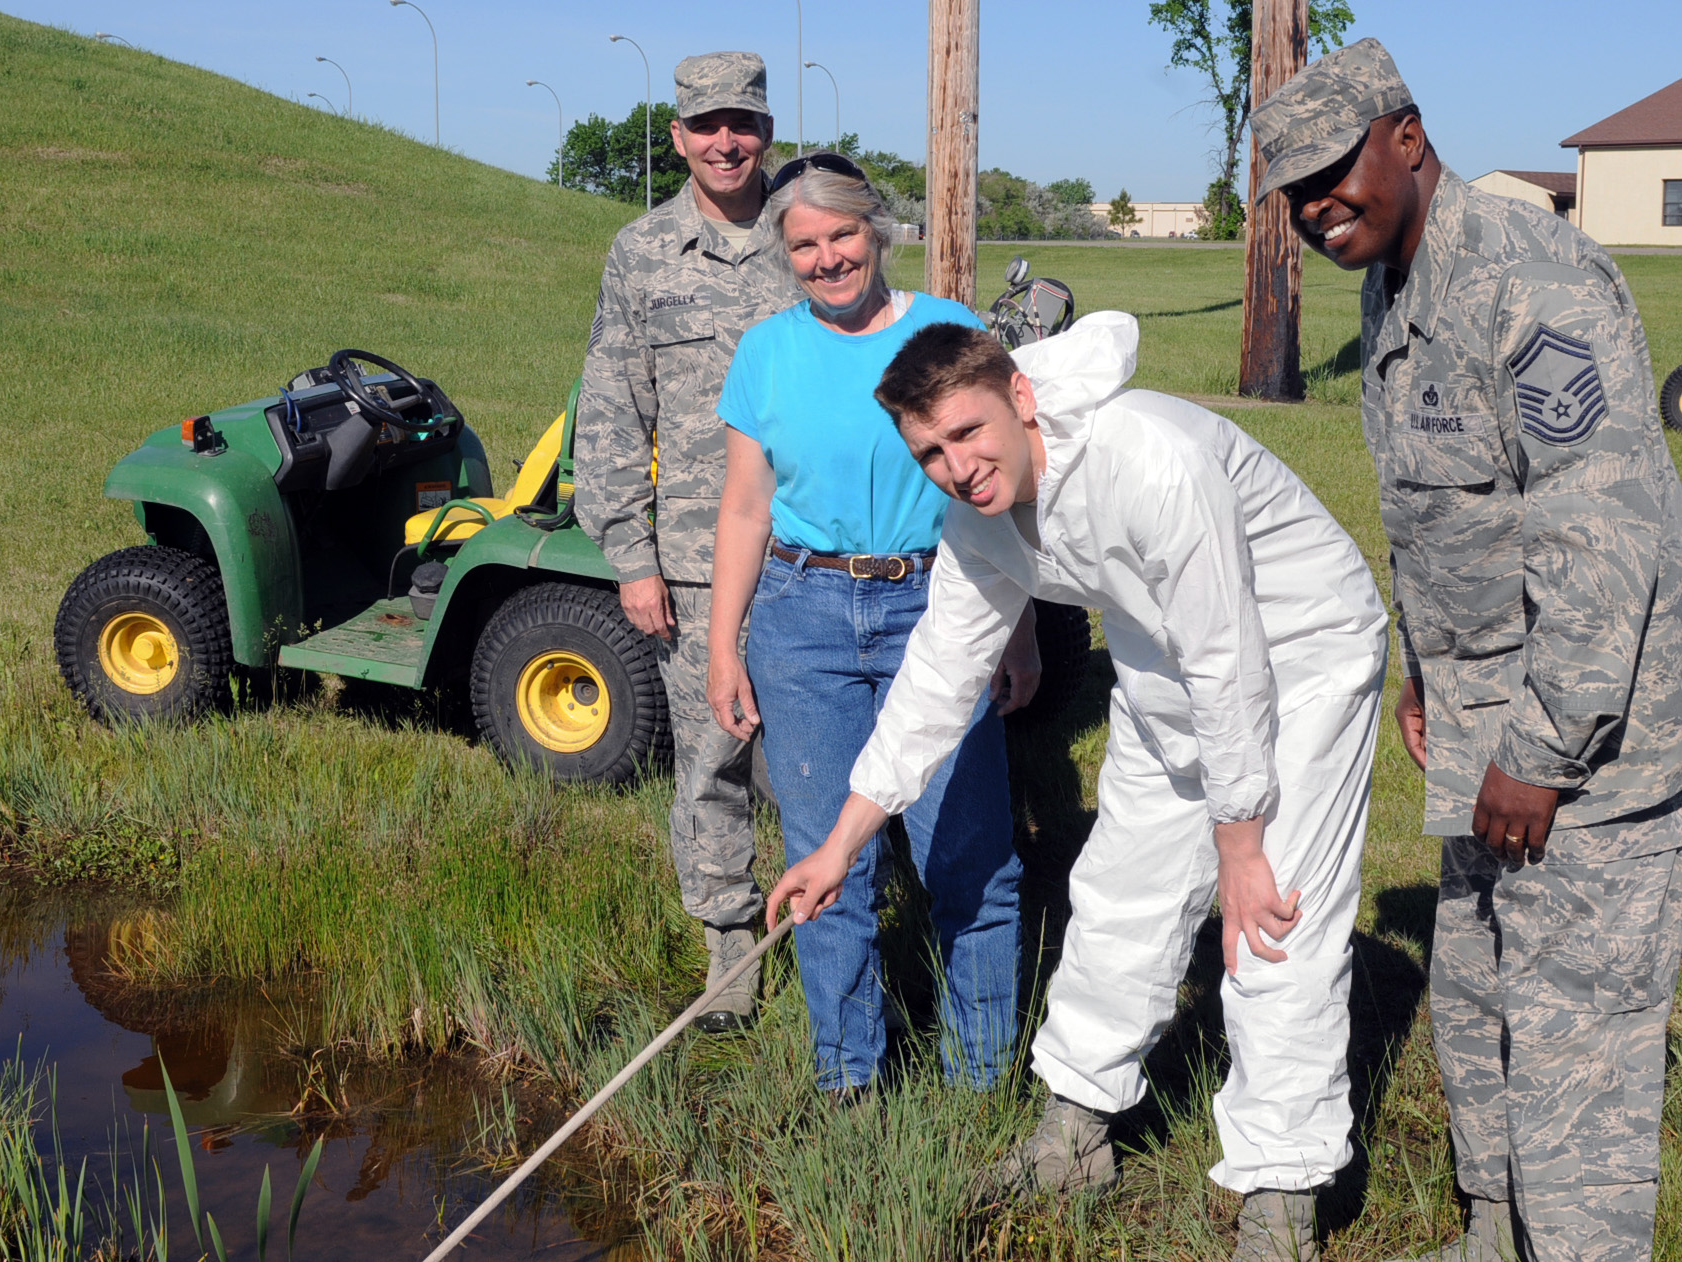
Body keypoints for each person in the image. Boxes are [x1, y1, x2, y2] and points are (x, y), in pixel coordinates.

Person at [768, 313, 1388, 1261]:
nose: (956, 467)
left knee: (1271, 920)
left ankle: (1283, 1190)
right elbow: (936, 679)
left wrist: (1240, 842)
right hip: (1165, 656)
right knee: (1121, 889)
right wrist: (839, 847)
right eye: (929, 452)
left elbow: (1228, 652)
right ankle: (1075, 1133)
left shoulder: (1148, 458)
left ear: (1019, 398)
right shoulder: (976, 522)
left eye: (967, 432)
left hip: (1301, 650)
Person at [1251, 38, 1682, 1262]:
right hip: (1484, 716)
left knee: (1573, 1041)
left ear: (1407, 137)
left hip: (1583, 750)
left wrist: (1541, 753)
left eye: (1331, 172)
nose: (1315, 206)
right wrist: (1424, 670)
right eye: (1292, 192)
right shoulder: (1395, 279)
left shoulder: (1531, 280)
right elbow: (1440, 511)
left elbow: (1602, 536)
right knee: (1484, 986)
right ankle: (1497, 1229)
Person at [707, 154, 1038, 1094]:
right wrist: (724, 648)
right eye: (804, 245)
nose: (827, 259)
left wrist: (1017, 634)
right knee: (829, 864)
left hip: (941, 605)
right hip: (802, 616)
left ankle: (979, 1085)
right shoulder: (765, 353)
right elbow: (745, 508)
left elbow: (1004, 496)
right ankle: (848, 1077)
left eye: (842, 235)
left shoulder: (950, 330)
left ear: (877, 231)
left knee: (967, 859)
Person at [574, 52, 803, 1033]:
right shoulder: (642, 252)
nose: (726, 141)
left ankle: (834, 930)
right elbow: (611, 408)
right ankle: (729, 947)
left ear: (766, 131)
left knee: (821, 757)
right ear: (677, 136)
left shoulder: (810, 231)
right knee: (712, 760)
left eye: (742, 122)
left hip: (816, 552)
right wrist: (632, 557)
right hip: (699, 564)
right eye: (706, 124)